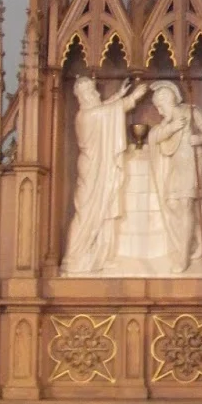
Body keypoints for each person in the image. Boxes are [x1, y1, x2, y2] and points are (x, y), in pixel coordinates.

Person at [62, 76, 147, 274]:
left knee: (99, 210)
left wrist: (118, 94)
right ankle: (74, 256)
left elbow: (106, 110)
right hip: (93, 170)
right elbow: (109, 112)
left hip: (97, 167)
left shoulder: (90, 113)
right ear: (83, 96)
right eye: (92, 91)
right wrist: (134, 96)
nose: (97, 94)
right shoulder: (88, 116)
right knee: (86, 214)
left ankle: (99, 254)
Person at [146, 82, 202, 274]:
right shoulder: (167, 123)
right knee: (173, 205)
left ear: (168, 100)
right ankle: (199, 243)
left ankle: (183, 257)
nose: (160, 112)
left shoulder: (192, 112)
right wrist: (171, 128)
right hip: (176, 169)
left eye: (160, 107)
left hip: (192, 167)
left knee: (186, 206)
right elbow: (155, 137)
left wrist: (199, 139)